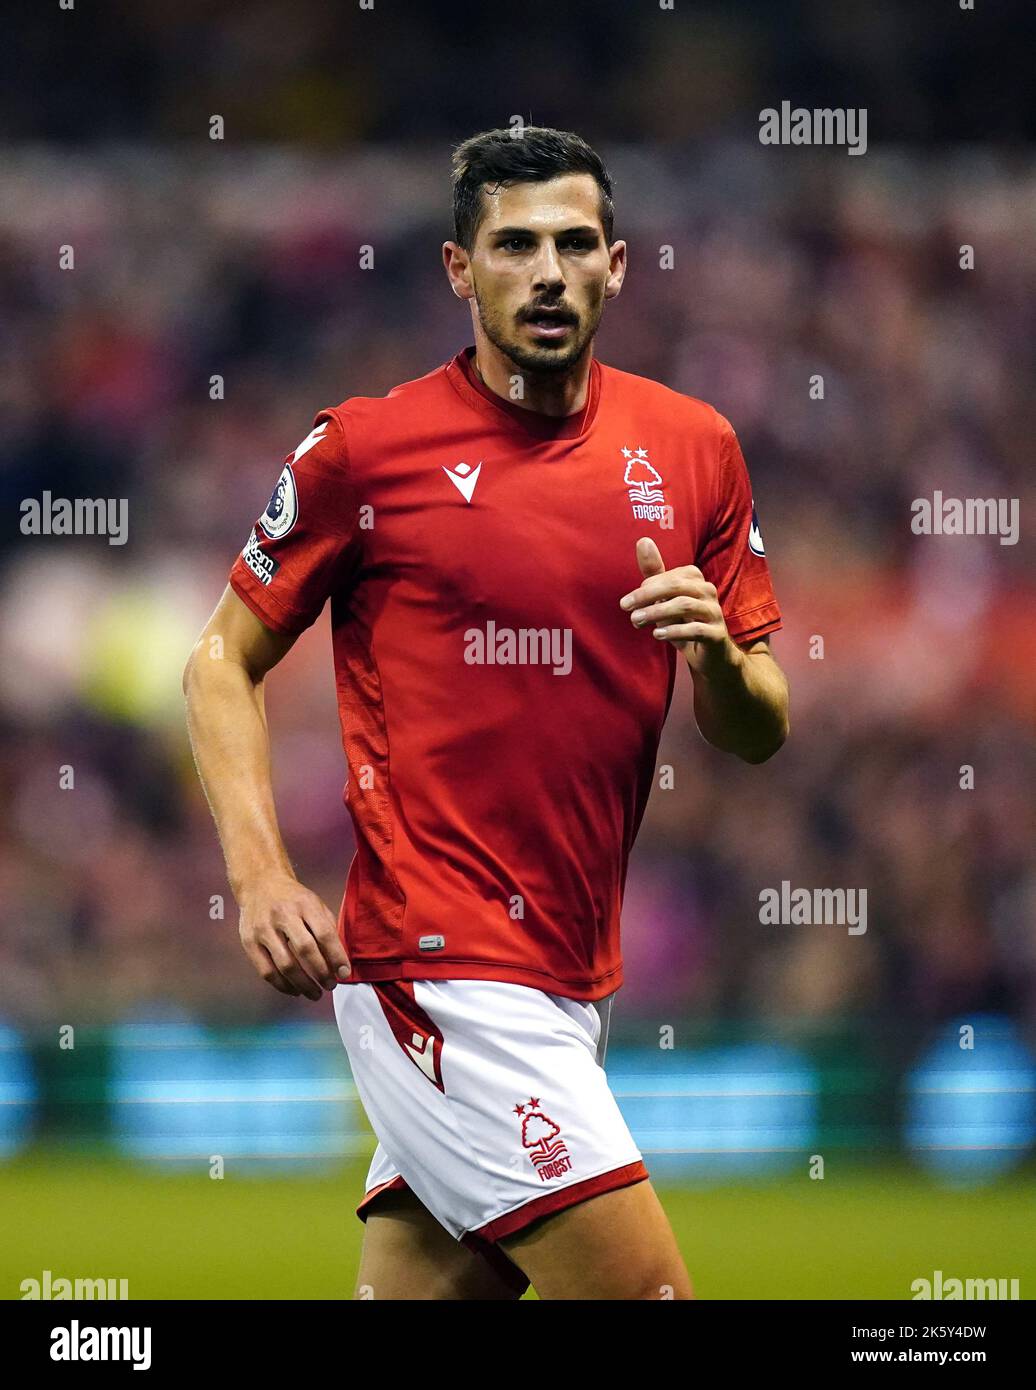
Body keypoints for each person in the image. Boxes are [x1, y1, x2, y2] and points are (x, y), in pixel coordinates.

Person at [183, 125, 790, 1300]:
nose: (548, 271)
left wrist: (714, 653)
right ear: (460, 270)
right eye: (514, 245)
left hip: (566, 973)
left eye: (574, 244)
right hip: (440, 965)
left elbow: (757, 724)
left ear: (619, 264)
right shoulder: (364, 451)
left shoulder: (695, 447)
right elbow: (219, 661)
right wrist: (259, 878)